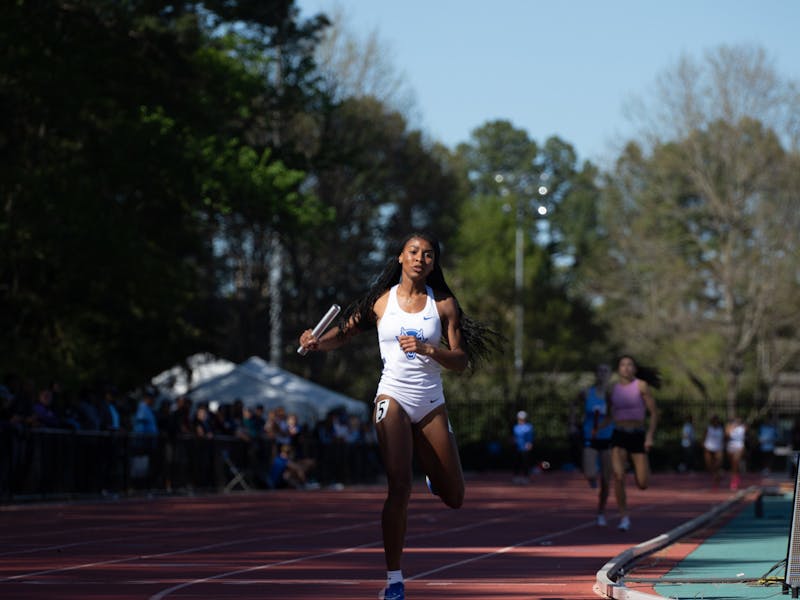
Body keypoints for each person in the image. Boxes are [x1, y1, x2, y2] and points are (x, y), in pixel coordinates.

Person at [298, 232, 496, 600]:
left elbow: (460, 360)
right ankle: (394, 580)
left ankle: (435, 476)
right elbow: (342, 334)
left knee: (455, 496)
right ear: (400, 258)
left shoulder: (444, 305)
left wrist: (427, 348)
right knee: (398, 485)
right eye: (414, 252)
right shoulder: (380, 302)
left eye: (428, 255)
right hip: (392, 394)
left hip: (430, 401)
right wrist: (316, 341)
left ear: (434, 264)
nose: (421, 258)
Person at [606, 355, 659, 532]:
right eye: (623, 365)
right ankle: (624, 517)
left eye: (630, 365)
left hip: (637, 435)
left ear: (635, 369)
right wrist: (597, 428)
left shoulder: (641, 386)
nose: (626, 368)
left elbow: (654, 413)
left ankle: (642, 467)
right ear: (618, 369)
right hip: (619, 434)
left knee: (642, 483)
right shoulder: (613, 388)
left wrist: (650, 436)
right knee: (618, 476)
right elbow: (609, 413)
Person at [577, 363, 613, 526]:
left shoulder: (613, 395)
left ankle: (601, 511)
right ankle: (592, 477)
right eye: (600, 371)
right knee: (590, 473)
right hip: (590, 438)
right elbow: (573, 406)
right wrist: (572, 422)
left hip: (608, 439)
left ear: (610, 374)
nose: (602, 374)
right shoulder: (586, 393)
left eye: (606, 371)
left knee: (606, 481)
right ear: (595, 374)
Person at [511, 410, 534, 484]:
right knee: (516, 463)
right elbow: (514, 437)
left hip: (525, 448)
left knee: (525, 463)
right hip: (517, 448)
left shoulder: (528, 427)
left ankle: (526, 477)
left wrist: (529, 444)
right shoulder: (515, 427)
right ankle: (516, 477)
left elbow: (530, 437)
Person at [702, 414, 725, 488]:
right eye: (714, 420)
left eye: (716, 420)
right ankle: (715, 475)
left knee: (717, 464)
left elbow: (723, 439)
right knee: (709, 464)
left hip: (718, 448)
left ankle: (717, 476)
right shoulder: (708, 428)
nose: (715, 422)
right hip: (709, 447)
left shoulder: (721, 429)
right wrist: (703, 445)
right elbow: (704, 437)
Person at [726, 415, 747, 490]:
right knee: (733, 464)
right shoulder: (730, 426)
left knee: (736, 462)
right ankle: (736, 476)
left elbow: (746, 432)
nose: (737, 422)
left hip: (739, 446)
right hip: (731, 446)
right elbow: (727, 435)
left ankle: (734, 481)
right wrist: (732, 427)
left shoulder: (743, 427)